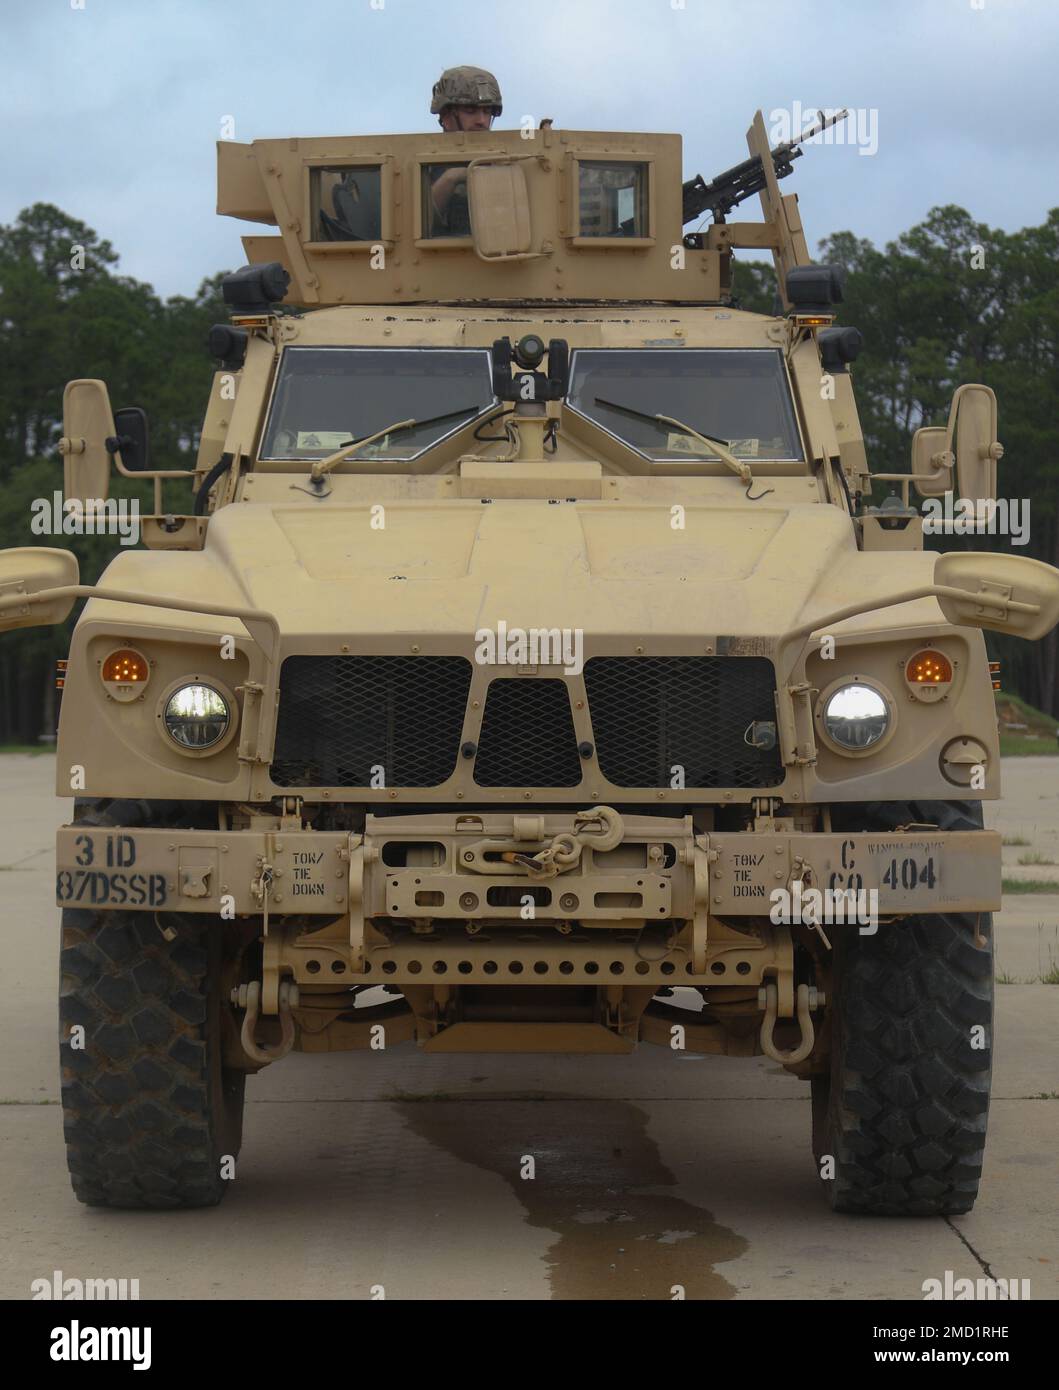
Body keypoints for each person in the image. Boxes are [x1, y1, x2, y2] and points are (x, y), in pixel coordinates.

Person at [428, 66, 502, 235]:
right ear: (446, 117)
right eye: (470, 111)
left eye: (487, 111)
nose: (481, 120)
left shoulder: (504, 160)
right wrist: (451, 178)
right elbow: (414, 227)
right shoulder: (424, 166)